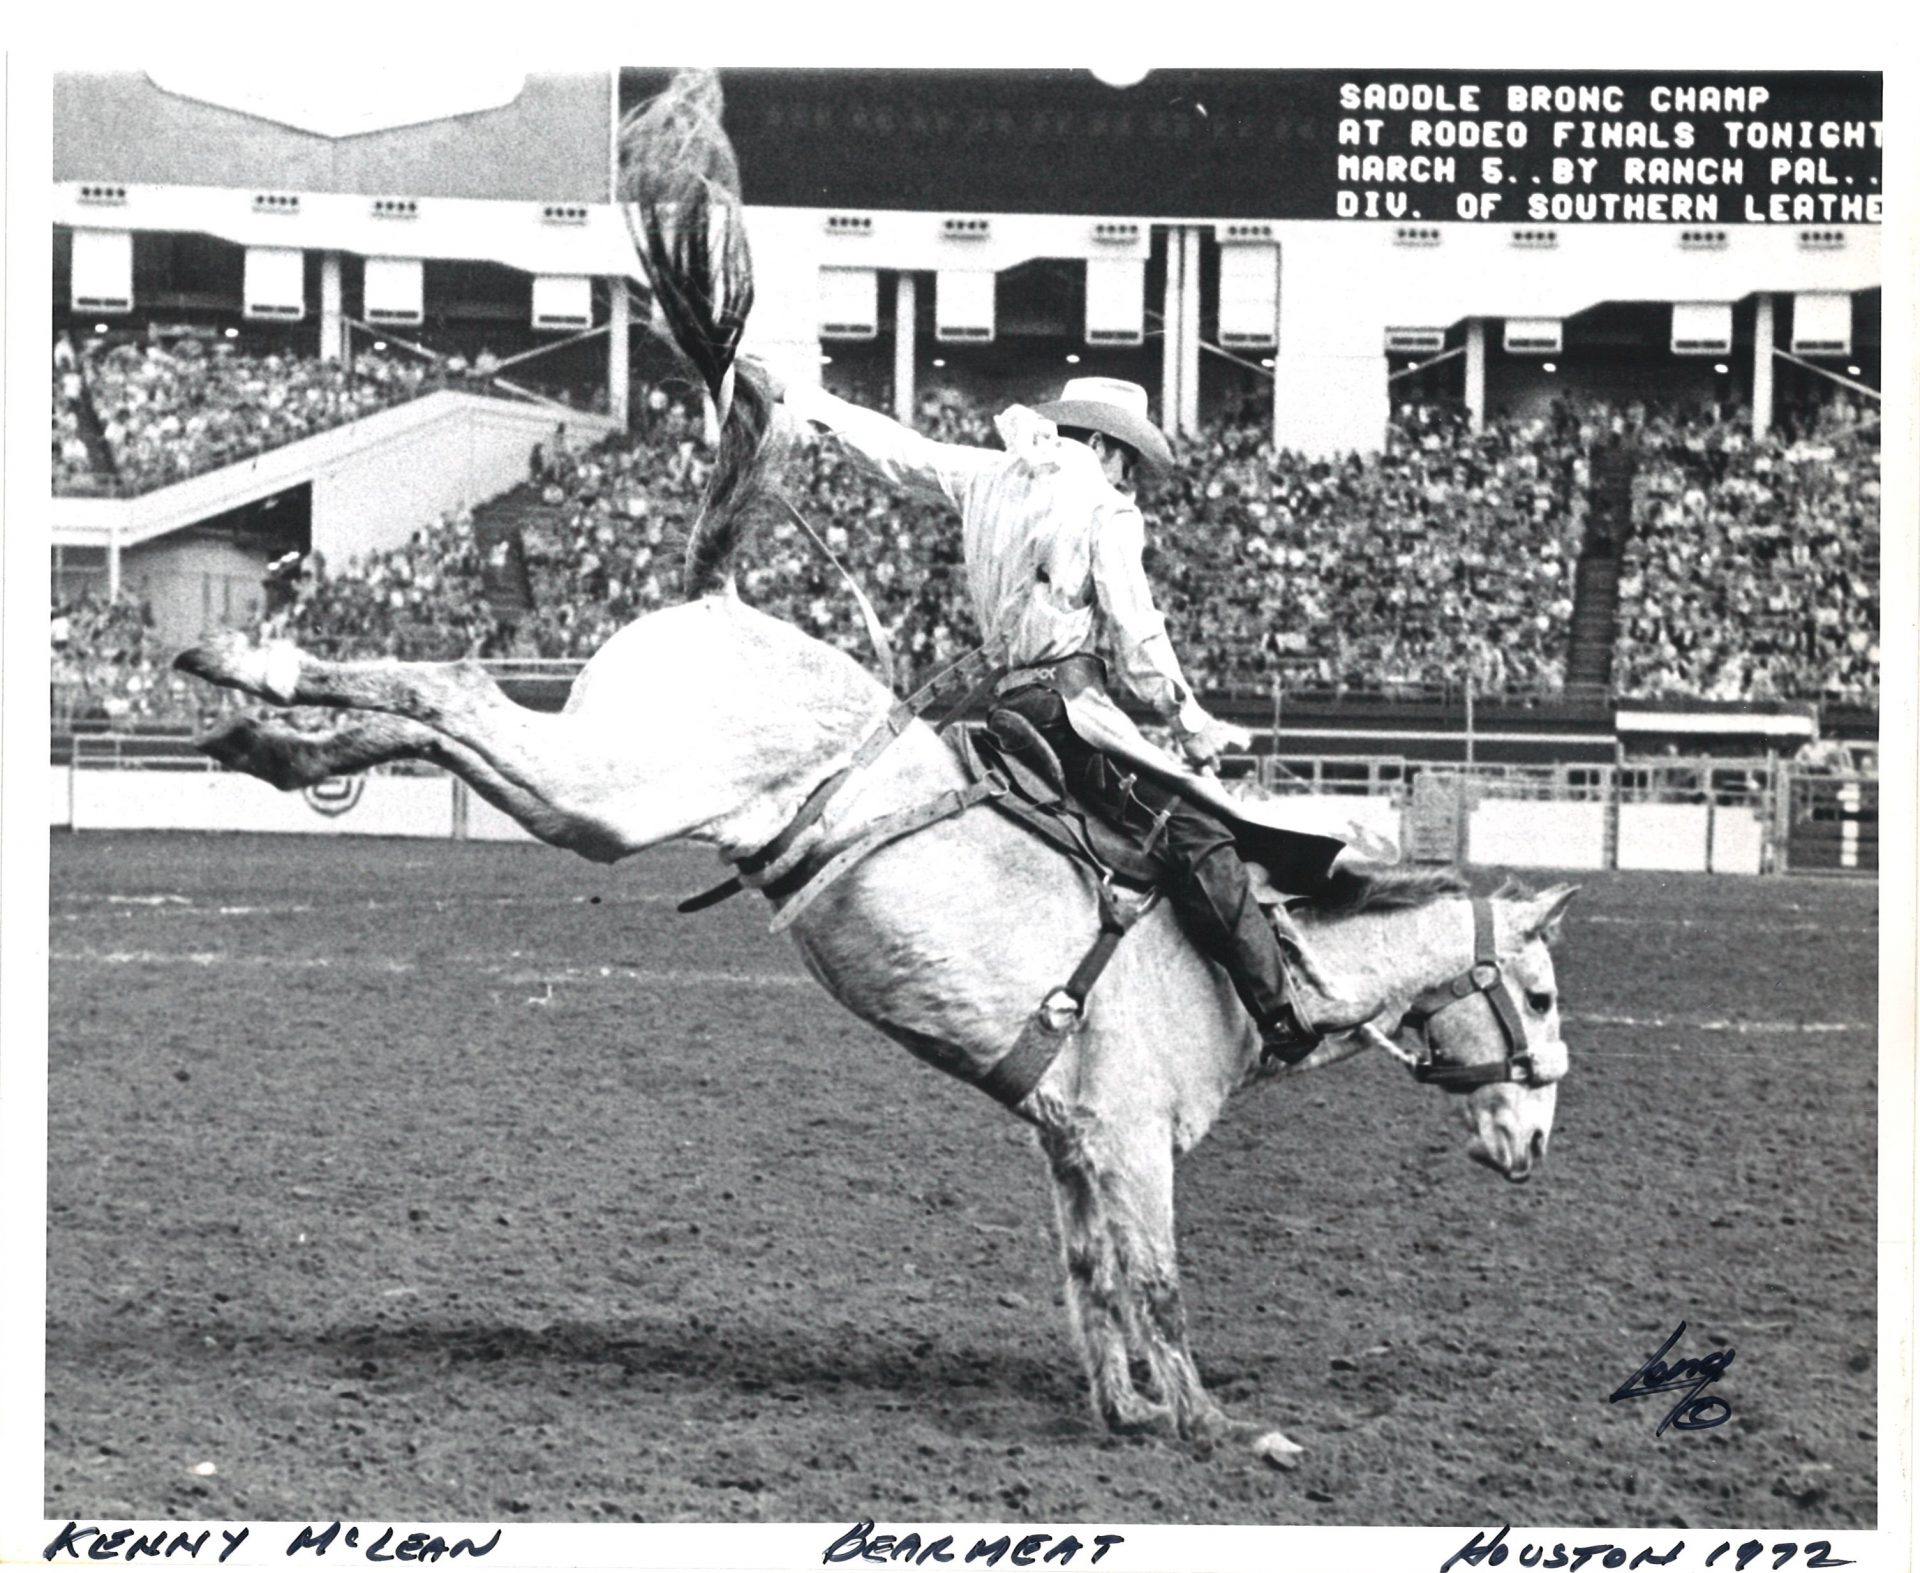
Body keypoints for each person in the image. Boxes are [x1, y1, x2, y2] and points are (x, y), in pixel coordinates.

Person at [770, 370, 1343, 1063]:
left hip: (1004, 706)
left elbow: (893, 449)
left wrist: (798, 396)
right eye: (1128, 461)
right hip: (1067, 711)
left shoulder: (986, 473)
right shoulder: (1106, 507)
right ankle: (1282, 1010)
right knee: (1195, 831)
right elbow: (1138, 637)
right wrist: (1190, 720)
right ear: (1102, 443)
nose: (1130, 479)